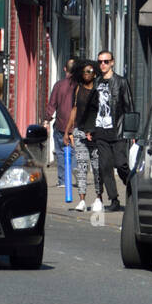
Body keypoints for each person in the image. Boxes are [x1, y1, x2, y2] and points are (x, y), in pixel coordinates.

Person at [92, 50, 134, 212]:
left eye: (106, 61)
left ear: (112, 63)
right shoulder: (96, 82)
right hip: (101, 131)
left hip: (118, 131)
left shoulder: (121, 82)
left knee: (121, 164)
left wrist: (132, 132)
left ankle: (132, 186)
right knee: (105, 166)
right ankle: (114, 200)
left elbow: (129, 106)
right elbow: (91, 107)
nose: (102, 64)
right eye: (100, 62)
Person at [63, 60, 103, 212]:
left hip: (94, 133)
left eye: (90, 71)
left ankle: (99, 197)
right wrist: (68, 131)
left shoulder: (99, 90)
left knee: (97, 166)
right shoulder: (78, 89)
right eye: (85, 71)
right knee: (81, 167)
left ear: (95, 74)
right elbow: (74, 110)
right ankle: (82, 200)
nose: (87, 74)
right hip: (79, 131)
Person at [44, 58, 77, 186]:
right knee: (74, 152)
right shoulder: (80, 85)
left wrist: (47, 120)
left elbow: (52, 105)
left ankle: (63, 180)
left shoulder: (59, 85)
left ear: (65, 69)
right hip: (75, 126)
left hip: (61, 124)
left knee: (61, 152)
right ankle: (75, 172)